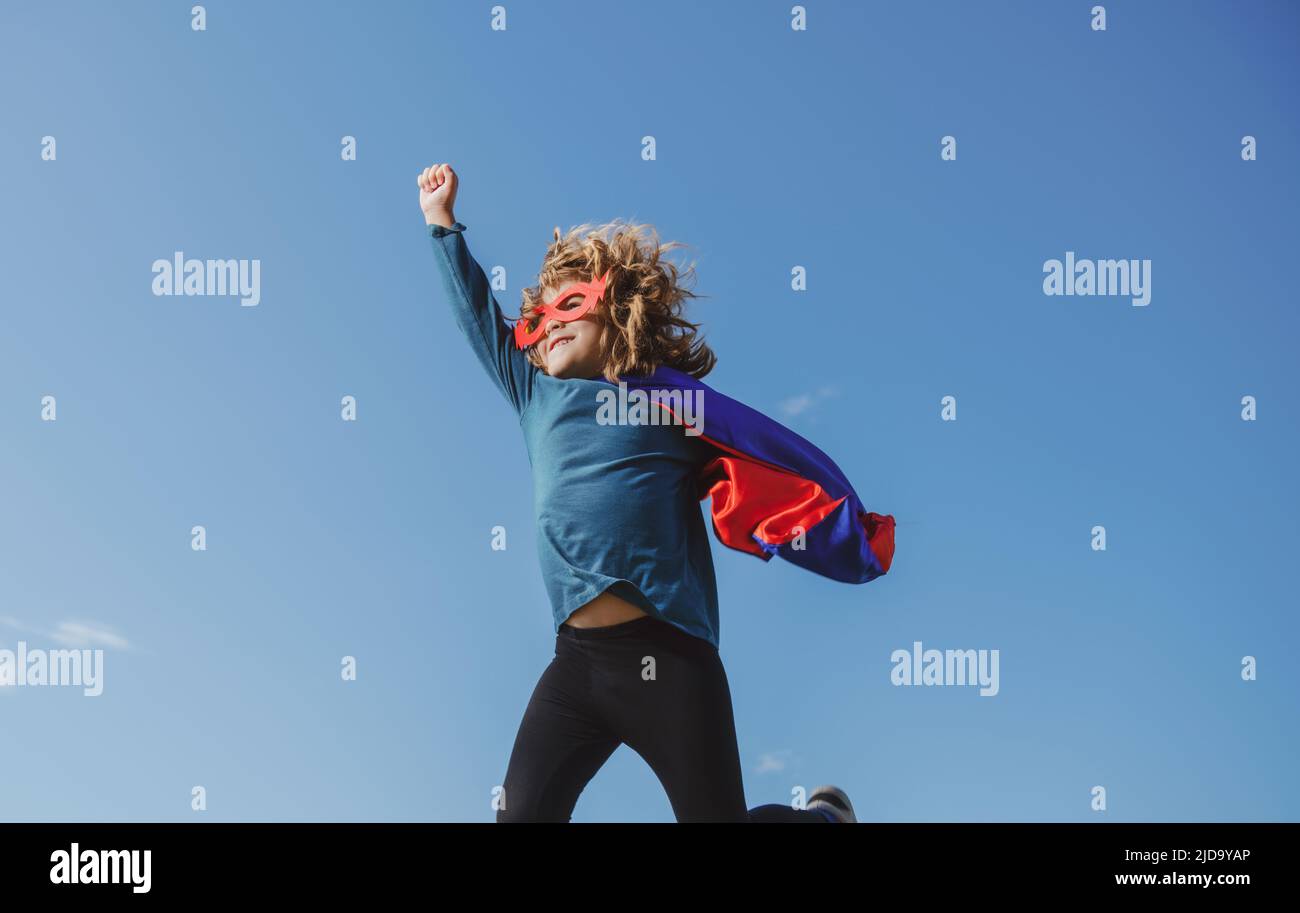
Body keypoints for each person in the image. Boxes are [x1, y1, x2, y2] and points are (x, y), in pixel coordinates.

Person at [419, 162, 888, 822]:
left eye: (569, 305)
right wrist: (442, 224)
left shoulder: (669, 407)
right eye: (537, 317)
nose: (548, 321)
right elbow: (477, 318)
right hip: (576, 665)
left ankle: (823, 817)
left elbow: (759, 452)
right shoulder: (535, 394)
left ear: (616, 310)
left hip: (668, 657)